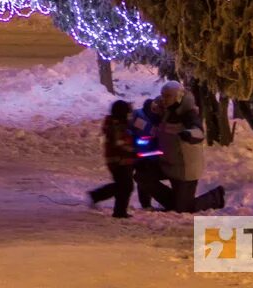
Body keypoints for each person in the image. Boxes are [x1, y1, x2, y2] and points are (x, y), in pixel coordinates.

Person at [144, 81, 225, 212]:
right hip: (167, 164)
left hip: (185, 169)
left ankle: (215, 197)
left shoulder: (188, 113)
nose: (164, 99)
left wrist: (189, 134)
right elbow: (150, 110)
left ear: (178, 97)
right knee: (143, 176)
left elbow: (198, 131)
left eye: (168, 96)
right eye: (163, 95)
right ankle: (174, 204)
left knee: (183, 209)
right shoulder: (165, 110)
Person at [88, 100, 137, 217]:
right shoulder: (116, 125)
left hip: (121, 159)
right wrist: (133, 150)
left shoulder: (118, 124)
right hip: (119, 160)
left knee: (123, 185)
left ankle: (116, 209)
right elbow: (119, 143)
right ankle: (116, 209)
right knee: (125, 186)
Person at [130, 98, 164, 209]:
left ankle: (151, 202)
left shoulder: (161, 116)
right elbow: (129, 129)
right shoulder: (137, 115)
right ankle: (146, 204)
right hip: (140, 153)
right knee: (142, 177)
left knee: (151, 177)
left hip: (155, 154)